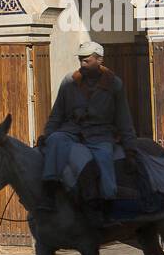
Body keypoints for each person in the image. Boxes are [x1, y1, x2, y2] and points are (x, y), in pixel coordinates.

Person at [38, 41, 137, 210]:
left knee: (105, 160)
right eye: (81, 59)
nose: (82, 63)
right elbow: (57, 113)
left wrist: (130, 149)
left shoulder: (114, 84)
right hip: (72, 131)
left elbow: (124, 119)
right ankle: (50, 187)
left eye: (87, 60)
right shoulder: (69, 81)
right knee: (55, 139)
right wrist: (47, 134)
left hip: (100, 134)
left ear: (99, 60)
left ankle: (108, 203)